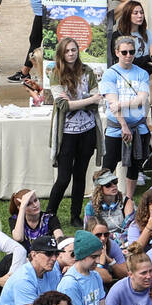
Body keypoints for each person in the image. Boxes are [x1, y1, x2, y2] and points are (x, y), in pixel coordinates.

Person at [47, 38, 102, 228]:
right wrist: (87, 99)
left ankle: (75, 216)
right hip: (67, 133)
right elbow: (63, 106)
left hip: (87, 131)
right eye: (67, 51)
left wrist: (78, 101)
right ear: (61, 54)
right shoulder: (56, 73)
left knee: (80, 175)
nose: (71, 53)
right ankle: (49, 214)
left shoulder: (87, 71)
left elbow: (98, 98)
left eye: (74, 50)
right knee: (63, 177)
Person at [100, 36, 151, 201]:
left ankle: (128, 199)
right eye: (124, 52)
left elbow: (141, 99)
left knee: (135, 165)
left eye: (132, 52)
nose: (128, 55)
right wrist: (123, 125)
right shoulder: (110, 73)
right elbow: (111, 102)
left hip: (138, 126)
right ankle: (101, 199)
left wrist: (122, 104)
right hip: (116, 127)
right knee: (108, 166)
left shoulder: (142, 73)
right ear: (117, 53)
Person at [0, 235, 60, 305]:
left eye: (56, 254)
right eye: (49, 254)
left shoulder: (52, 271)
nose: (54, 258)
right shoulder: (23, 279)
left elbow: (59, 300)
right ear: (34, 255)